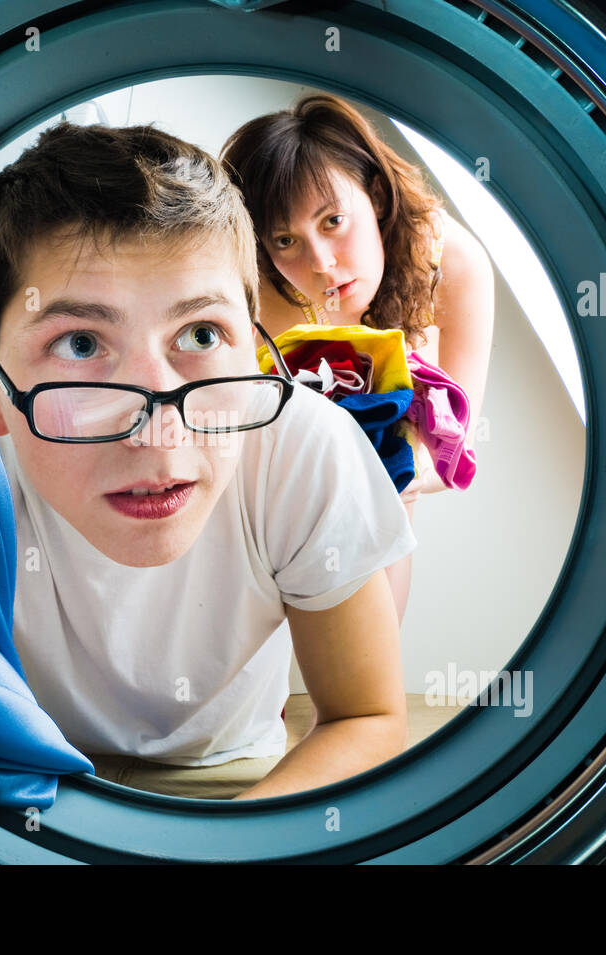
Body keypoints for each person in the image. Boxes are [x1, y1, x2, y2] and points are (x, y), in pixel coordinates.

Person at [0, 123, 417, 800]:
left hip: (238, 776)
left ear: (255, 350)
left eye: (201, 334)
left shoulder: (300, 446)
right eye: (82, 344)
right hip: (20, 770)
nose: (155, 429)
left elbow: (366, 715)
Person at [219, 94, 495, 622]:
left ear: (377, 197)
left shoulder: (454, 265)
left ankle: (374, 687)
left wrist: (370, 470)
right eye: (285, 239)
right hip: (271, 478)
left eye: (332, 222)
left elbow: (451, 456)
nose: (321, 263)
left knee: (394, 475)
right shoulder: (256, 282)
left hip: (388, 485)